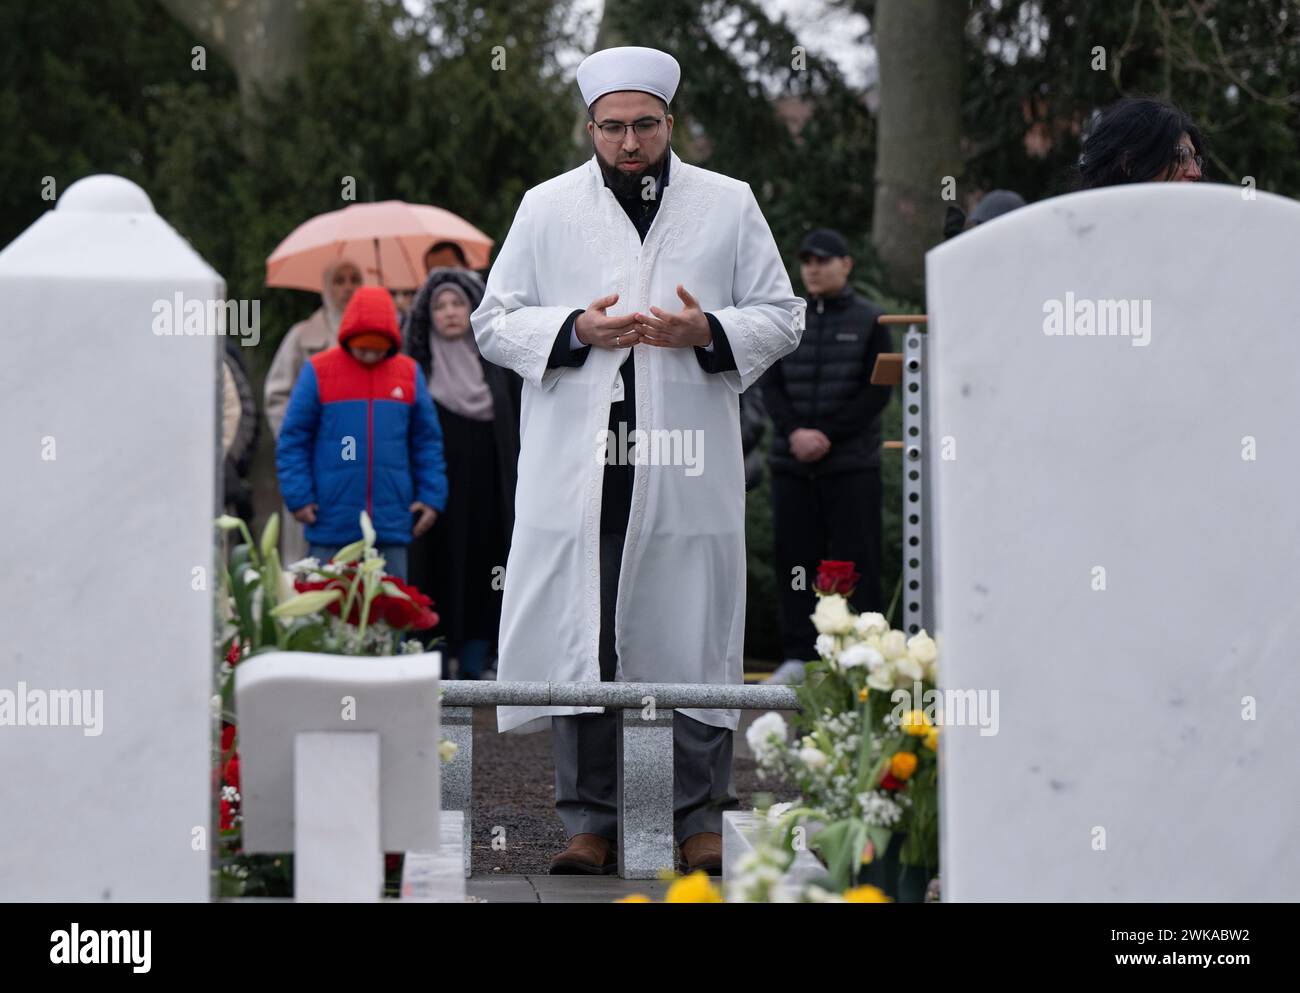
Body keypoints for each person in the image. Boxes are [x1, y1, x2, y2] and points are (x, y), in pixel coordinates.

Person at [471, 45, 802, 876]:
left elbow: (781, 311)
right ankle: (591, 821)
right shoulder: (546, 208)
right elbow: (493, 320)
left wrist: (708, 331)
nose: (628, 142)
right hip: (580, 469)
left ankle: (693, 816)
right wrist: (576, 328)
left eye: (643, 125)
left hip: (686, 465)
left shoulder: (727, 204)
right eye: (612, 127)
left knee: (688, 636)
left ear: (669, 124)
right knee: (585, 639)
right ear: (589, 127)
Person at [760, 228, 893, 685]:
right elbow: (770, 385)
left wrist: (826, 436)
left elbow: (877, 392)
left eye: (824, 260)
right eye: (807, 260)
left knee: (853, 562)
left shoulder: (872, 322)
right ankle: (799, 654)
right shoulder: (786, 321)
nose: (814, 268)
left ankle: (859, 654)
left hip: (850, 466)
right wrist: (796, 432)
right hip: (792, 466)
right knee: (795, 562)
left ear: (846, 264)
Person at [275, 286, 448, 581]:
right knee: (327, 616)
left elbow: (427, 441)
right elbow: (293, 439)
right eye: (362, 346)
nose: (369, 354)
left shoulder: (408, 373)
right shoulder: (318, 371)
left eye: (377, 347)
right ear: (348, 337)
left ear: (392, 341)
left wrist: (431, 496)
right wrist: (298, 496)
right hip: (330, 521)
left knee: (390, 617)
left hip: (391, 523)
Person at [404, 267, 522, 679]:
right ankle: (433, 665)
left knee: (485, 570)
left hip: (488, 491)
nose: (451, 312)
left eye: (458, 303)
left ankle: (476, 665)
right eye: (440, 305)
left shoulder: (497, 366)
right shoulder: (414, 370)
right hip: (435, 498)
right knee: (433, 572)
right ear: (427, 316)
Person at [264, 259, 364, 562]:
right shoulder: (301, 336)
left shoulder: (381, 340)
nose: (347, 288)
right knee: (308, 565)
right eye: (339, 280)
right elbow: (276, 395)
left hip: (363, 463)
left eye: (354, 279)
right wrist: (299, 439)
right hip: (314, 464)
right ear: (325, 287)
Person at [1076, 97, 1205, 188]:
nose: (1196, 172)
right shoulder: (1081, 225)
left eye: (1195, 160)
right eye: (1181, 156)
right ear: (1130, 163)